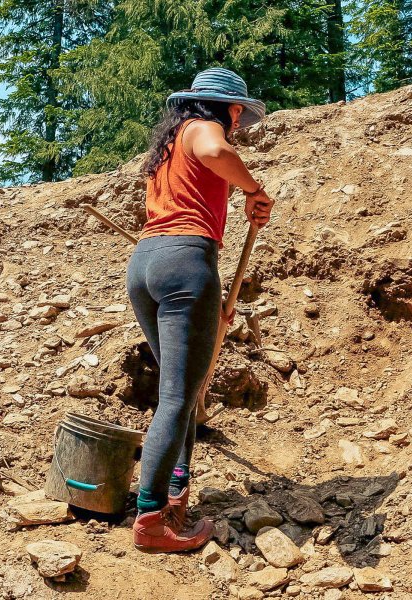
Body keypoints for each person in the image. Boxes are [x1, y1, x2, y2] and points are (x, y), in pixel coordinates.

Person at [128, 68, 275, 553]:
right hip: (186, 262)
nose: (237, 123)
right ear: (230, 108)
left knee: (185, 391)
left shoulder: (171, 142)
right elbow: (217, 151)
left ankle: (175, 494)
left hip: (146, 263)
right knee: (177, 397)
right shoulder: (204, 129)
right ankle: (152, 520)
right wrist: (254, 190)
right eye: (237, 113)